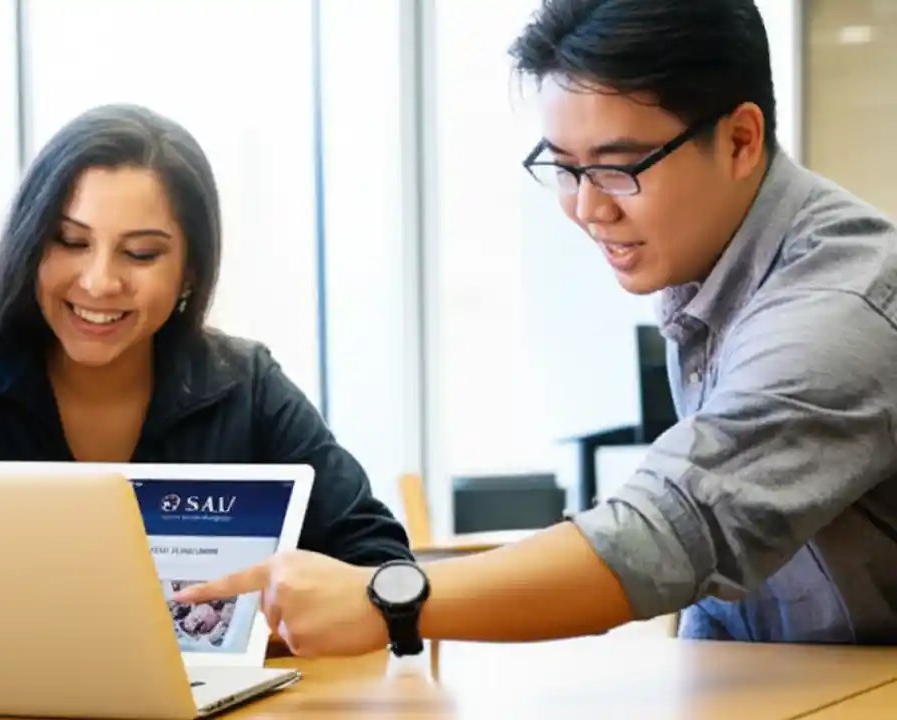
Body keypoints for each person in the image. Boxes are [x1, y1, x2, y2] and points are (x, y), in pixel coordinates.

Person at [177, 0, 897, 657]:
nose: (586, 209)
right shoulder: (711, 267)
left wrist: (391, 601)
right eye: (563, 167)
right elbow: (732, 586)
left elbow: (676, 534)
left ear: (741, 139)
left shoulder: (839, 308)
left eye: (618, 169)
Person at [0, 103, 411, 567]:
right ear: (30, 247)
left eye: (140, 253)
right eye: (71, 242)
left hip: (214, 677)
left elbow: (377, 555)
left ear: (190, 271)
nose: (99, 282)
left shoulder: (247, 388)